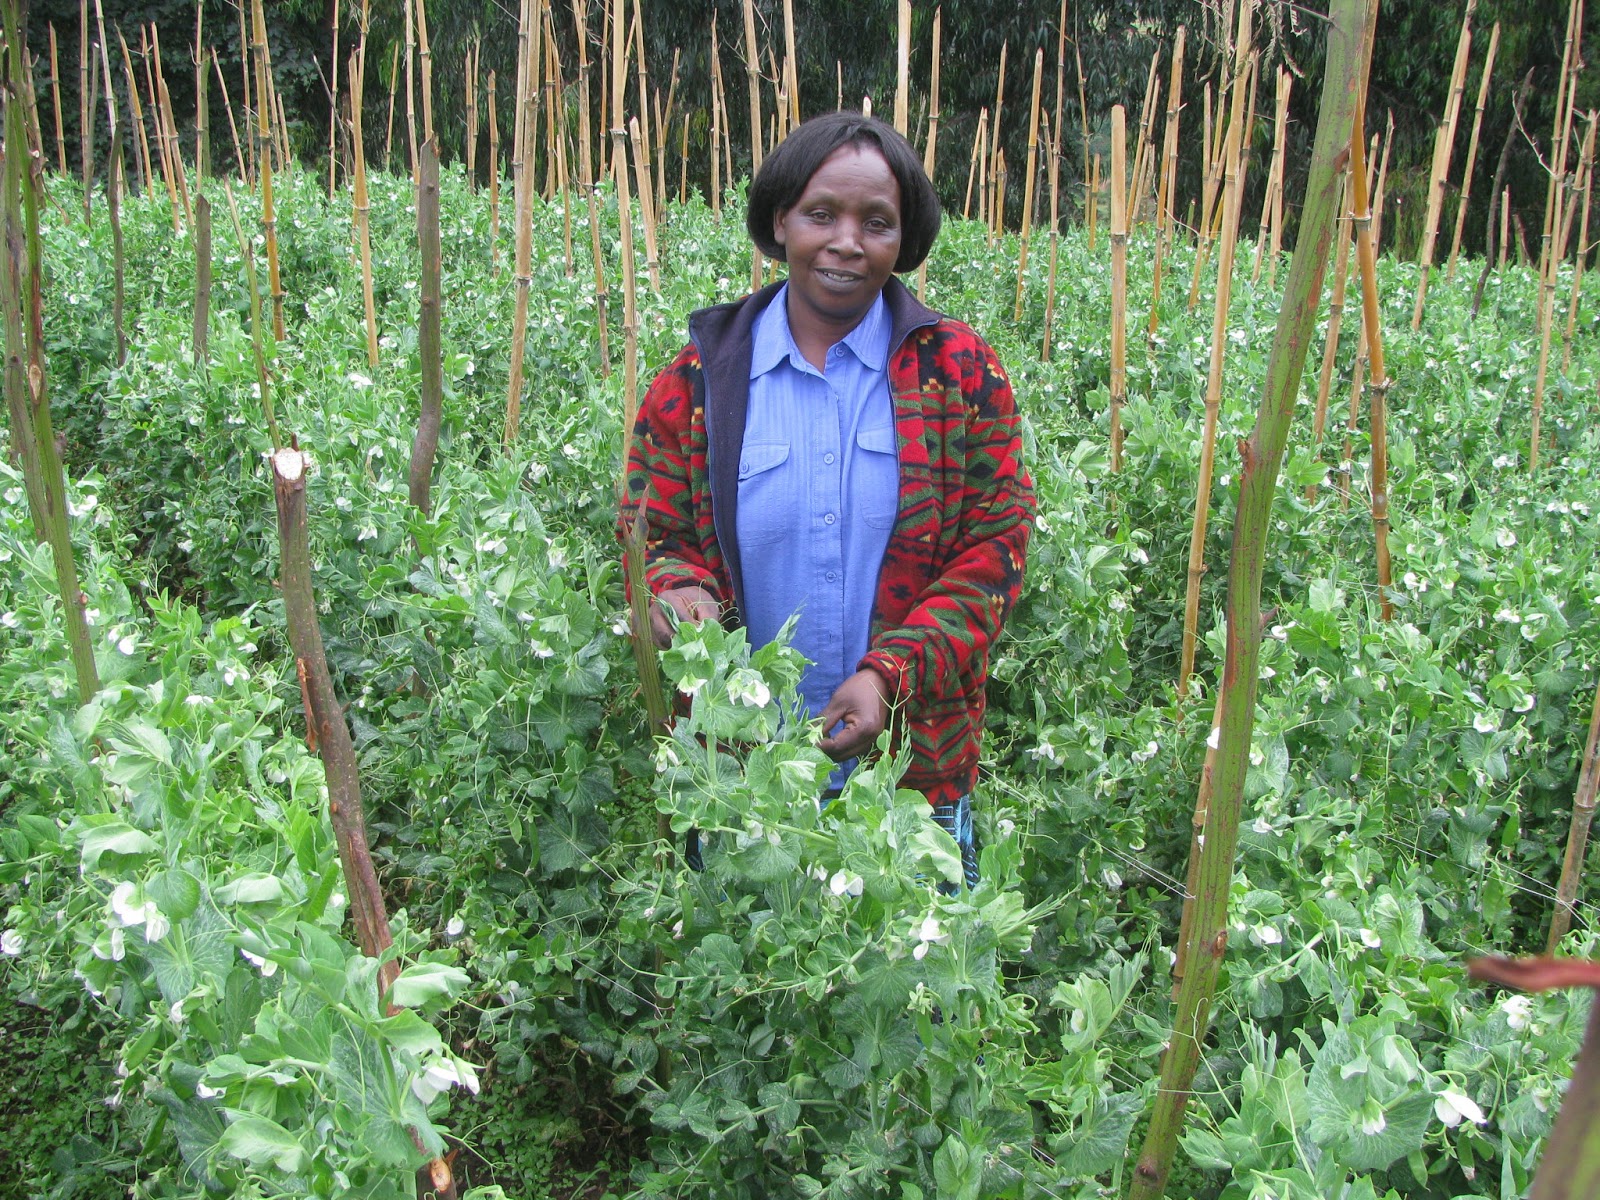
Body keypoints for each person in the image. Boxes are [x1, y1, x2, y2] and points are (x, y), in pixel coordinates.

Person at [620, 111, 1034, 886]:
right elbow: (653, 530)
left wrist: (888, 676)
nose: (847, 241)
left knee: (918, 984)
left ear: (902, 240)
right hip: (739, 772)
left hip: (911, 772)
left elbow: (995, 553)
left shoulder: (959, 374)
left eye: (876, 222)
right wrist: (679, 595)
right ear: (780, 222)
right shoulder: (700, 381)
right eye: (821, 214)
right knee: (749, 987)